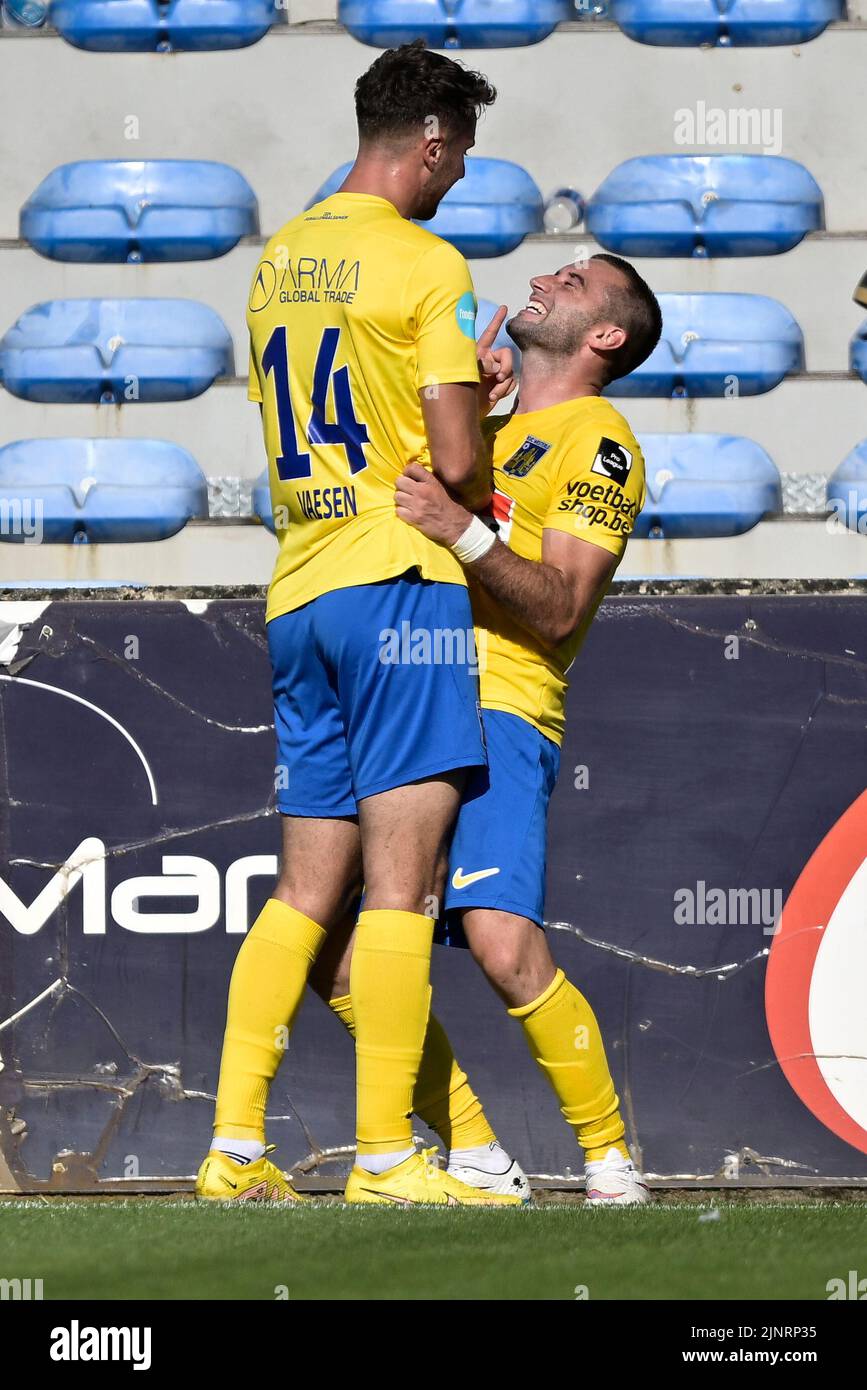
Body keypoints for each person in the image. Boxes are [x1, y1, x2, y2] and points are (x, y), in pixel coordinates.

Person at [197, 41, 524, 1207]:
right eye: (463, 155)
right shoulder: (429, 262)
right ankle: (388, 1157)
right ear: (432, 140)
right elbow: (446, 463)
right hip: (401, 589)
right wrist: (479, 422)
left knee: (301, 892)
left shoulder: (279, 256)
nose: (462, 179)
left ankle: (234, 1151)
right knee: (402, 887)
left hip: (299, 592)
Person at [315, 254, 662, 1204]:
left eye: (579, 279)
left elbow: (557, 610)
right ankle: (471, 1149)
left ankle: (608, 1159)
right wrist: (456, 398)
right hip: (399, 691)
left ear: (605, 337)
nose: (551, 274)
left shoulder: (599, 442)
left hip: (497, 698)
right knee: (333, 952)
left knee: (503, 943)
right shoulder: (491, 416)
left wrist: (459, 531)